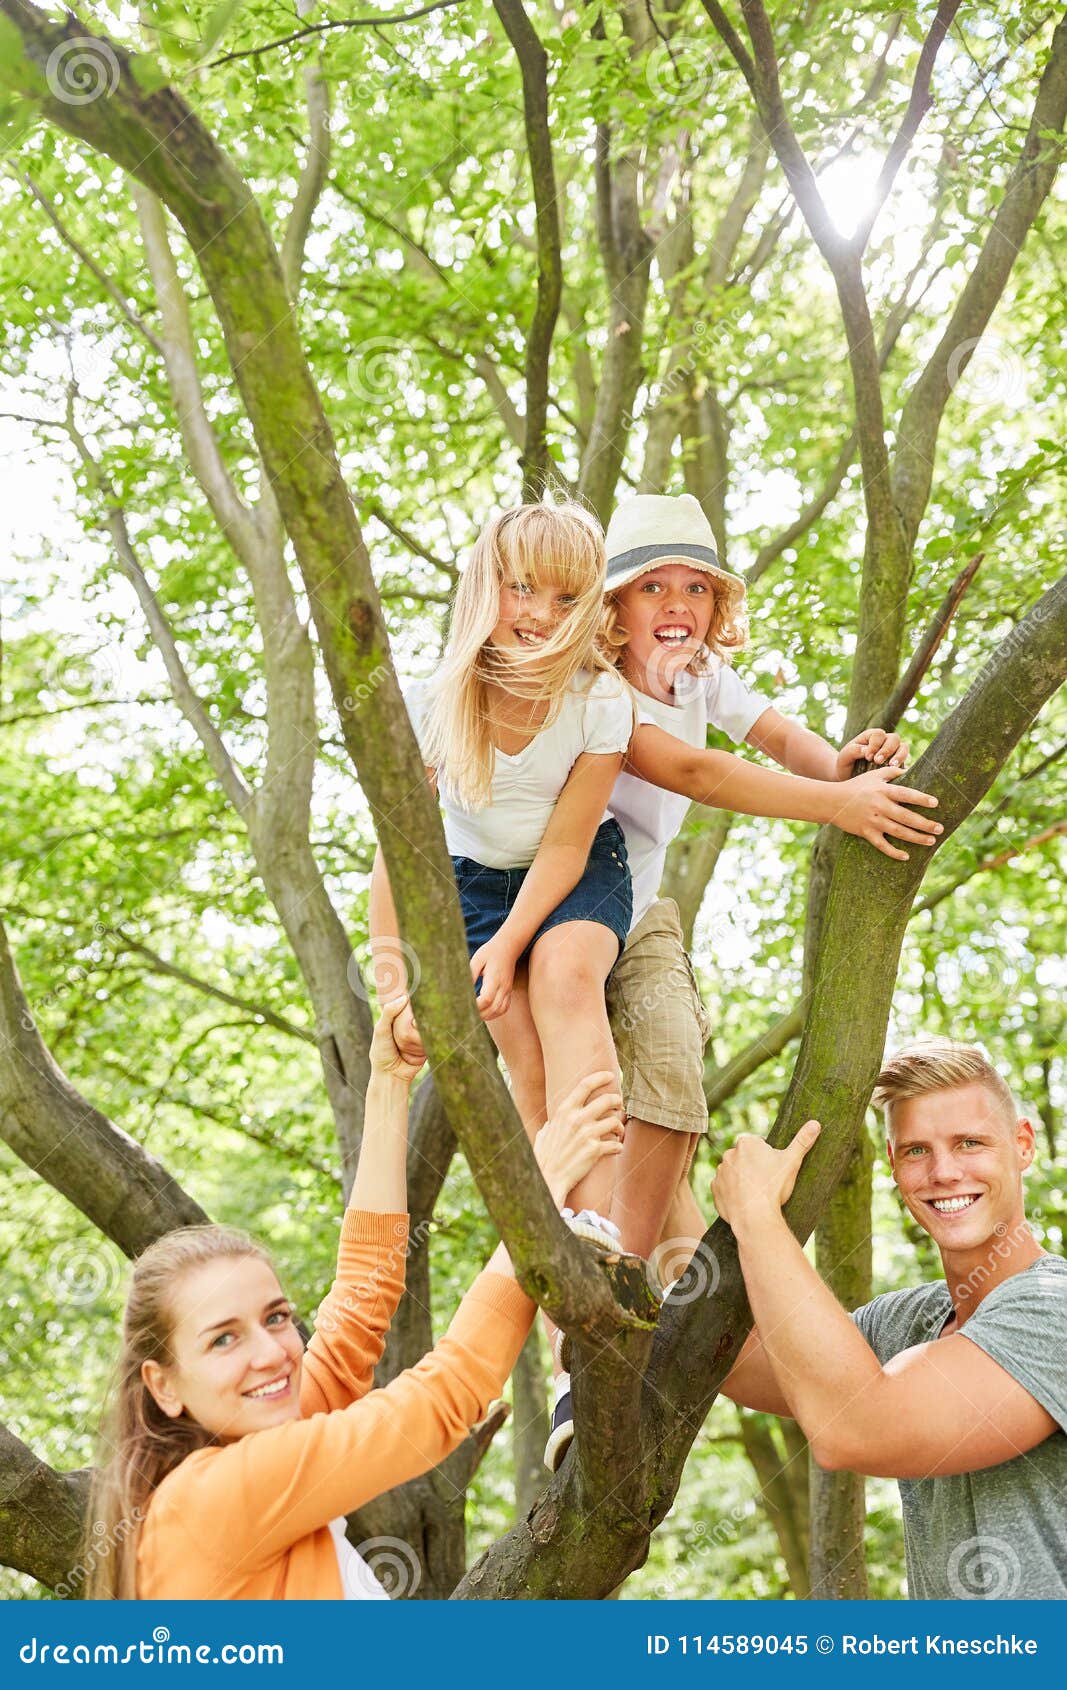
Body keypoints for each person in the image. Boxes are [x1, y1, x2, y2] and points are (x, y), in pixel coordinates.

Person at [544, 492, 942, 1469]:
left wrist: (850, 766)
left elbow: (773, 741)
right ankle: (581, 1353)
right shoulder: (595, 686)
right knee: (586, 1119)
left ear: (715, 604)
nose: (674, 604)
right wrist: (835, 806)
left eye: (695, 586)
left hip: (639, 917)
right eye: (650, 587)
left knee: (672, 1106)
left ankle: (626, 1311)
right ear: (612, 608)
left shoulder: (703, 673)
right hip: (555, 907)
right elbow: (699, 775)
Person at [82, 999, 624, 1599]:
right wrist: (536, 1200)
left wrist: (389, 1080)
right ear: (163, 1385)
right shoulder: (213, 1497)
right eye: (223, 1338)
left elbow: (356, 1314)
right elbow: (443, 1399)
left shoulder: (250, 1441)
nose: (272, 1353)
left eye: (277, 1318)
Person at [715, 1038, 1067, 1600]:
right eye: (916, 1151)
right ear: (894, 1163)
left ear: (1022, 1144)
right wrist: (670, 1145)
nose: (944, 1172)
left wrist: (756, 1216)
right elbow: (733, 1358)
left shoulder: (1054, 1308)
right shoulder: (910, 1320)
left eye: (969, 1143)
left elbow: (853, 1428)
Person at [371, 501, 634, 1226]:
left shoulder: (599, 701)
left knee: (563, 977)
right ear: (485, 585)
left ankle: (600, 1229)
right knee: (522, 1054)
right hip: (470, 885)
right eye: (522, 587)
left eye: (565, 598)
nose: (540, 613)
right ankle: (551, 1235)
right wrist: (394, 986)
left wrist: (512, 941)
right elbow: (397, 850)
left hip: (576, 869)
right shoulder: (428, 705)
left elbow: (564, 843)